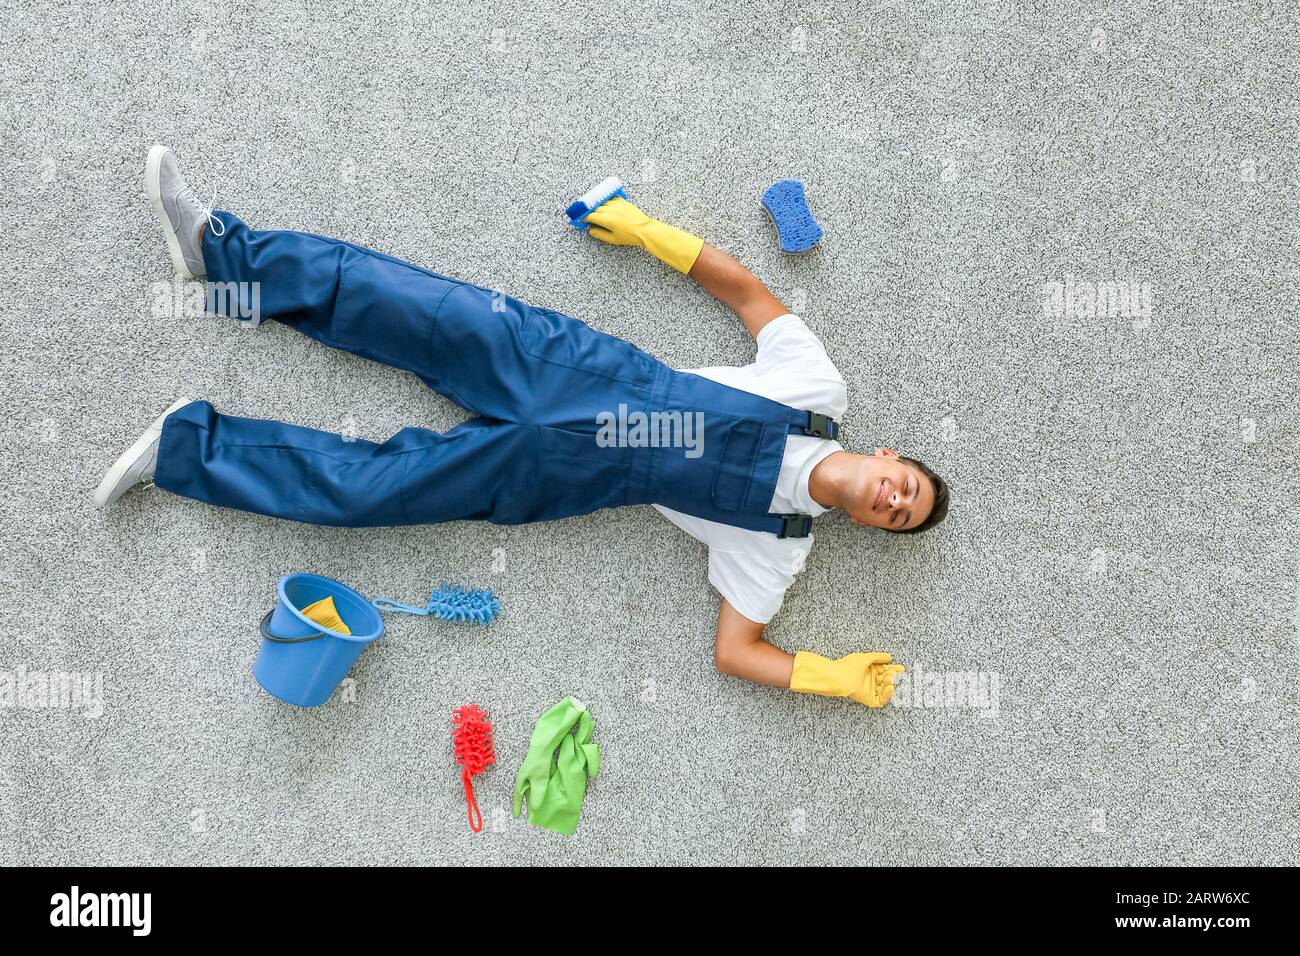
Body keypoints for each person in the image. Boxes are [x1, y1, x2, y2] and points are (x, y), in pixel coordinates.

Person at [96, 146, 951, 709]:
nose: (892, 499)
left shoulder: (780, 547)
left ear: (871, 524)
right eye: (905, 485)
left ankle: (183, 448)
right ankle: (223, 259)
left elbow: (737, 650)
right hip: (579, 370)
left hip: (556, 478)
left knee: (366, 494)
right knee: (407, 304)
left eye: (897, 516)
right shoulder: (816, 387)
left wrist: (826, 677)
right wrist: (648, 230)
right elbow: (749, 296)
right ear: (887, 457)